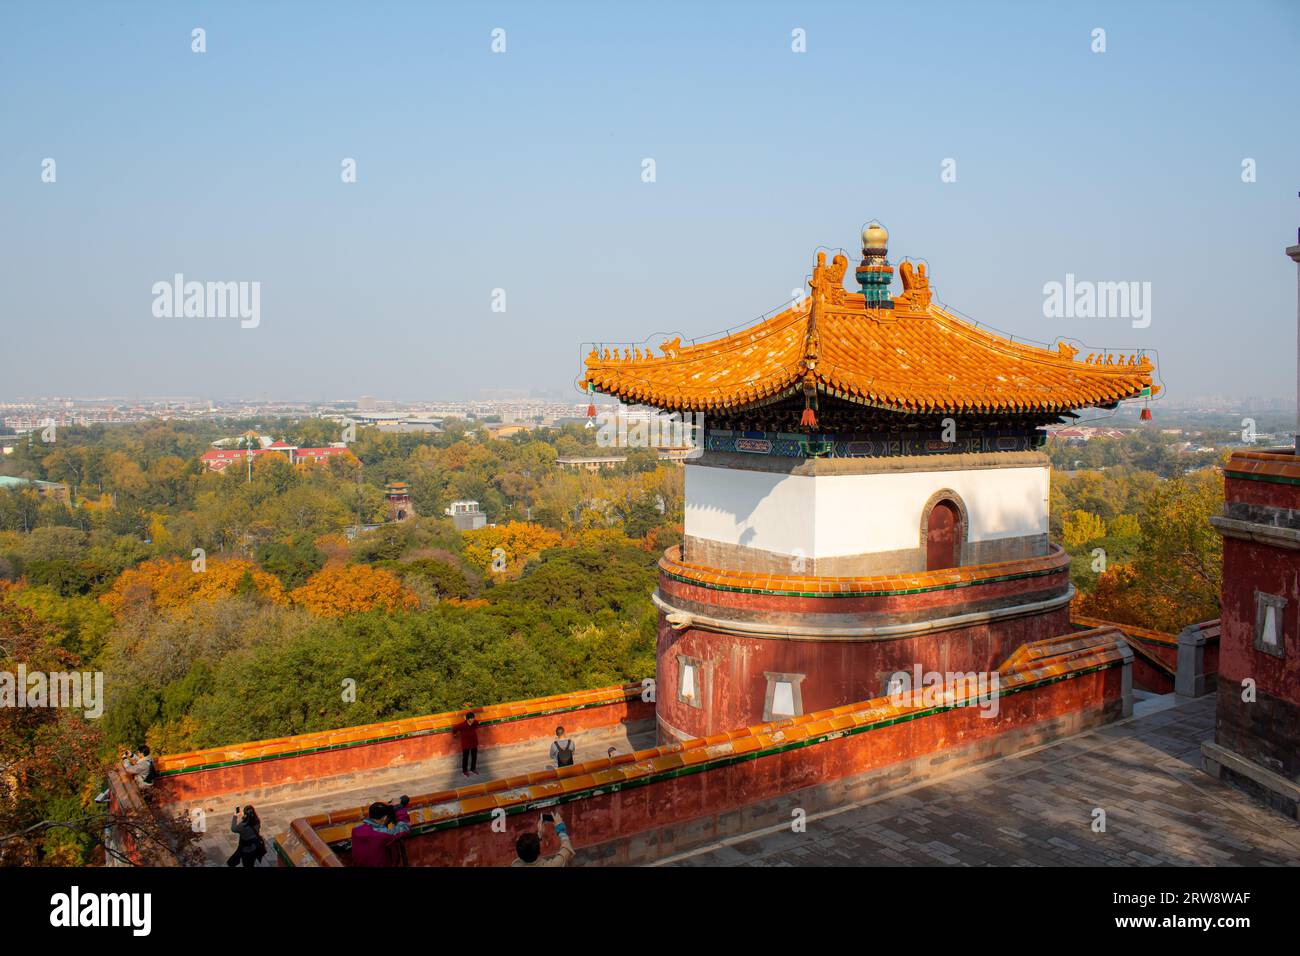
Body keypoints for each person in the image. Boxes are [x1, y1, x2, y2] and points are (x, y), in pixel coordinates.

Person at [350, 802, 411, 867]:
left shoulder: (355, 831)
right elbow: (404, 828)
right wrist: (399, 808)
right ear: (384, 818)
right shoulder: (382, 835)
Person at [454, 712, 479, 777]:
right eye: (471, 718)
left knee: (474, 756)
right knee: (465, 757)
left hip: (473, 742)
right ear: (467, 719)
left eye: (473, 718)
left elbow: (477, 724)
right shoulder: (463, 725)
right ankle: (465, 771)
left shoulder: (475, 723)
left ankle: (473, 769)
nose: (473, 719)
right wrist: (455, 734)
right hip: (466, 743)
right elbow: (455, 728)